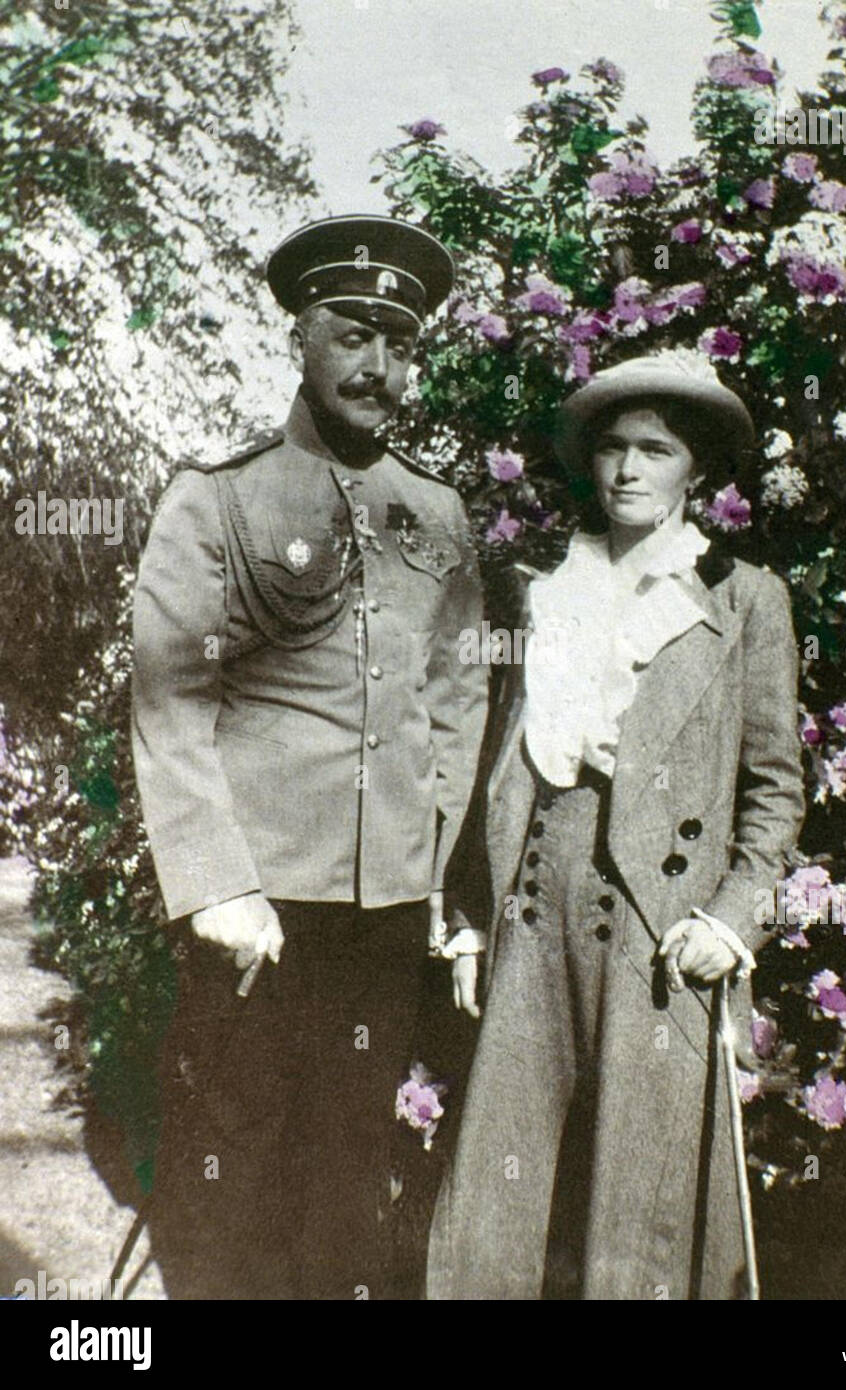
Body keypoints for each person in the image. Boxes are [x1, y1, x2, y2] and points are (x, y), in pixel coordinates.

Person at [131, 215, 487, 1299]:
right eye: (352, 333)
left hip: (383, 902)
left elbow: (455, 696)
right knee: (234, 1176)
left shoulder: (436, 512)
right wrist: (217, 881)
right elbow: (170, 699)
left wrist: (437, 876)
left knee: (351, 1175)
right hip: (262, 904)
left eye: (399, 341)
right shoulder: (220, 495)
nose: (377, 365)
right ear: (300, 334)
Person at [427, 351, 805, 1300]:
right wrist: (470, 913)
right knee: (494, 1177)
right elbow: (490, 762)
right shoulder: (541, 589)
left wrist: (731, 917)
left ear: (696, 470)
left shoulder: (742, 597)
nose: (629, 469)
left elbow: (773, 787)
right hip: (531, 903)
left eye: (654, 449)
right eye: (612, 448)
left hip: (659, 923)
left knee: (642, 1189)